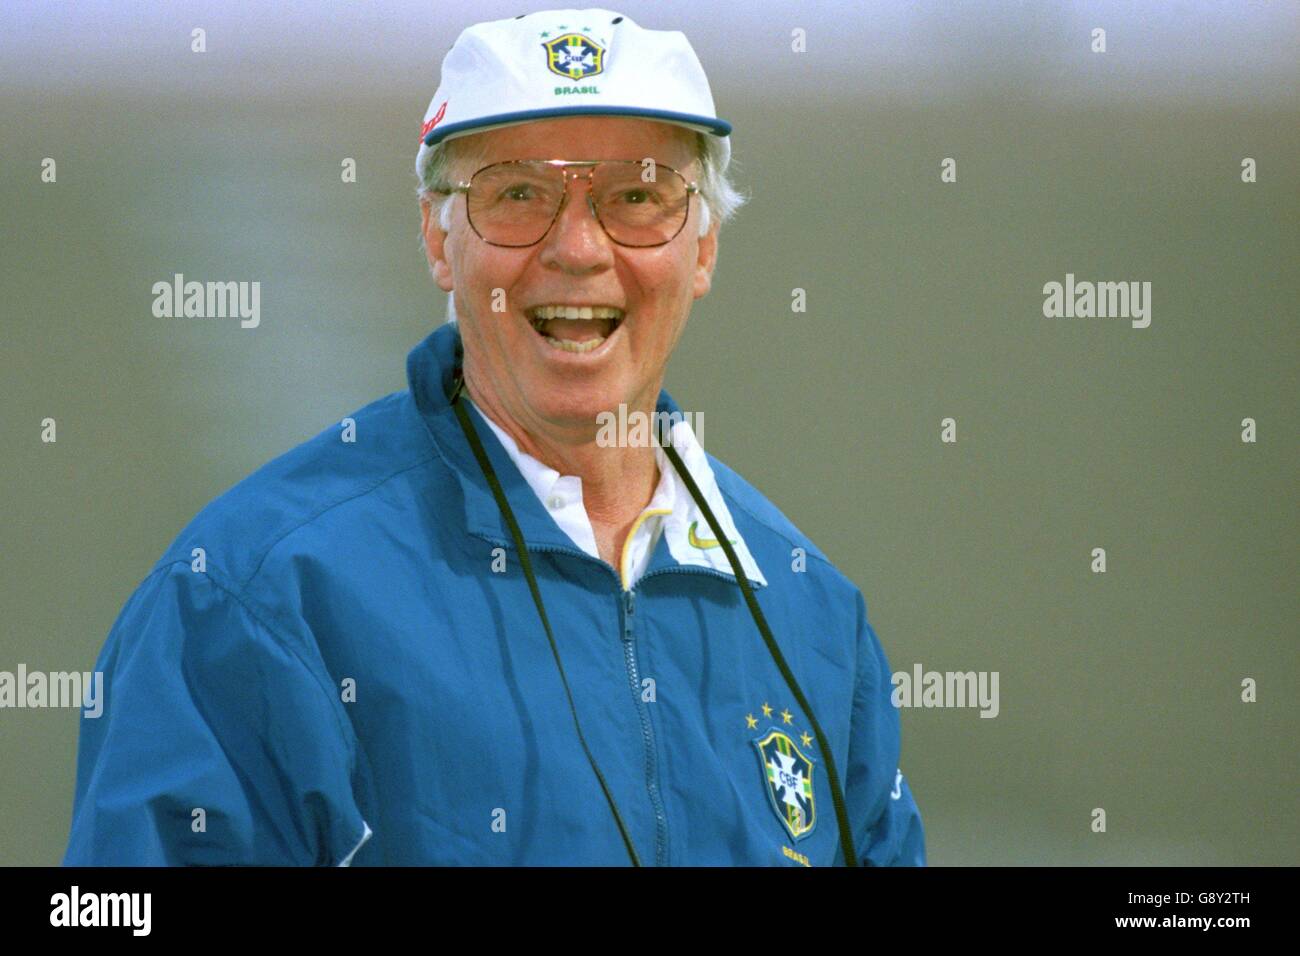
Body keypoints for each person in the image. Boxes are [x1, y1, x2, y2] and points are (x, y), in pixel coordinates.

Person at [63, 8, 925, 866]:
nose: (580, 247)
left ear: (703, 249)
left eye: (636, 195)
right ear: (439, 240)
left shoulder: (812, 612)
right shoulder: (252, 596)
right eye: (518, 194)